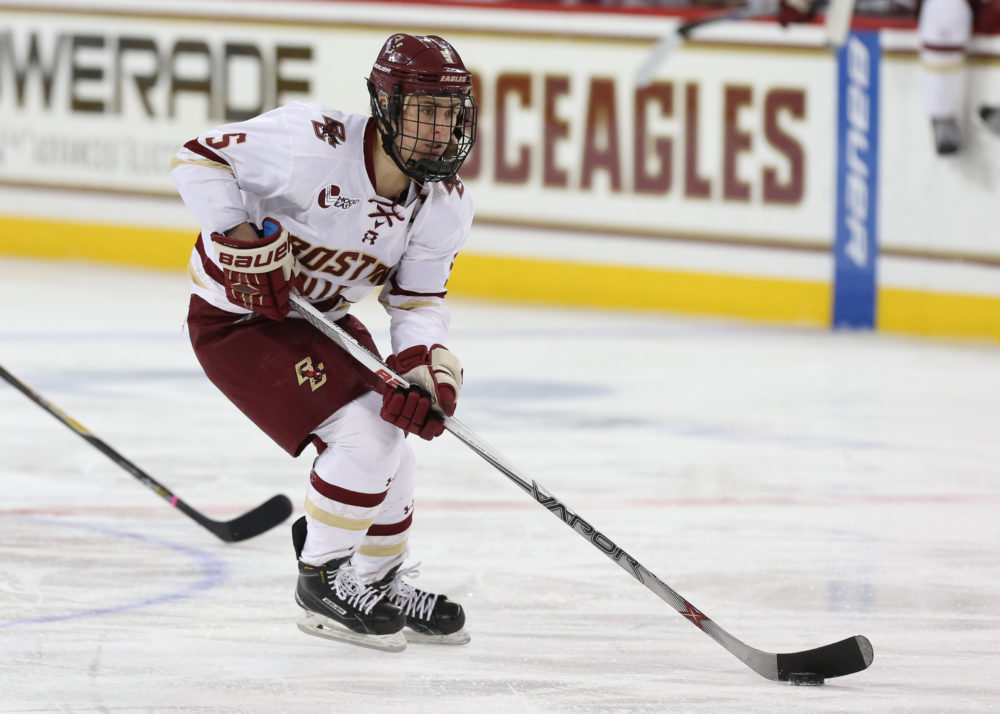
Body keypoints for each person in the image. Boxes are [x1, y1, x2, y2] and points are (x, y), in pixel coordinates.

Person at [170, 33, 478, 652]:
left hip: (320, 318)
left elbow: (416, 302)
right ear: (385, 106)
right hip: (237, 323)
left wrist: (422, 368)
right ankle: (322, 582)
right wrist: (235, 233)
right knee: (366, 434)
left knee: (397, 437)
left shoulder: (443, 204)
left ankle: (377, 578)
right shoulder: (308, 143)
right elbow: (197, 157)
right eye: (423, 109)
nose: (439, 128)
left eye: (449, 112)